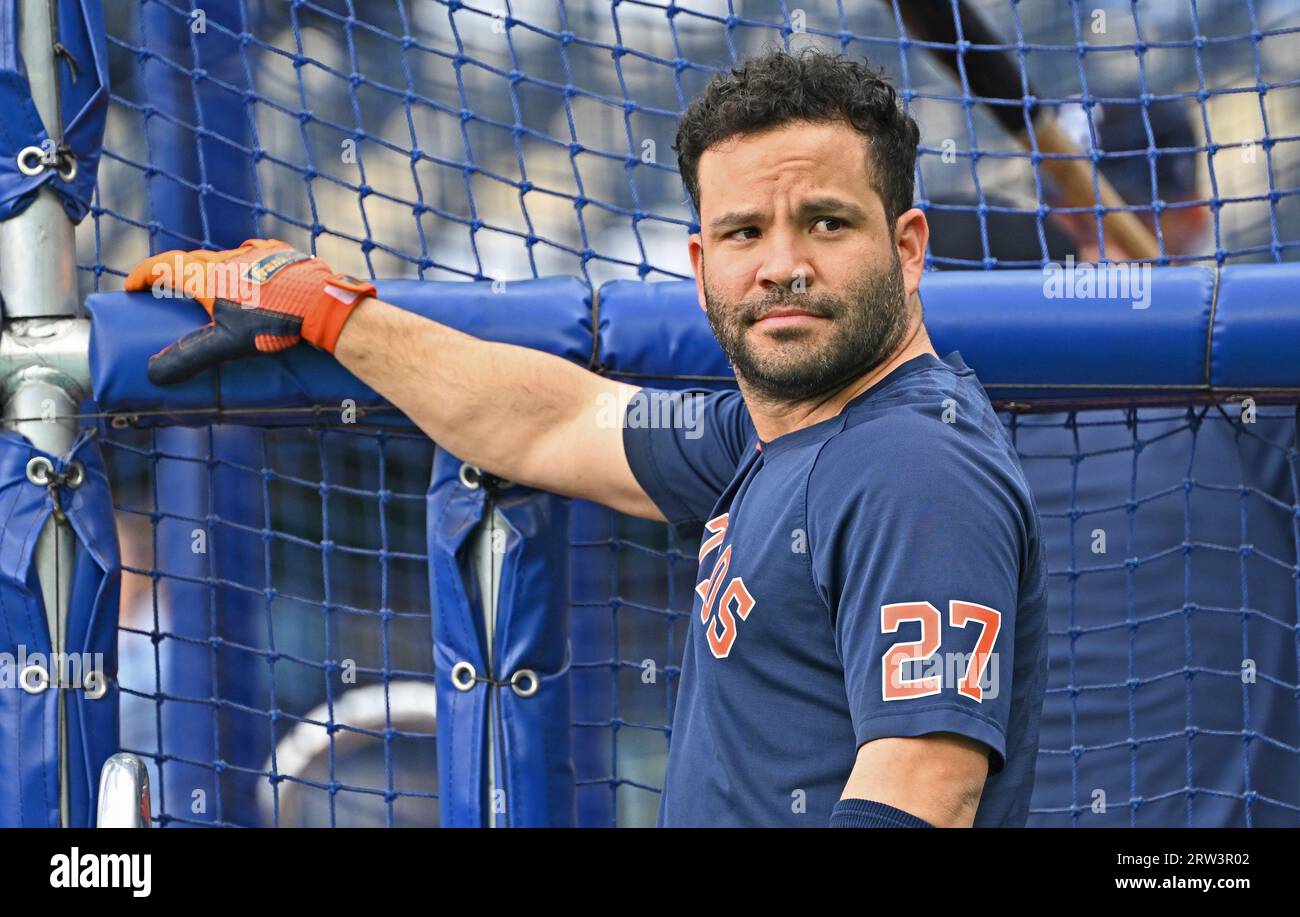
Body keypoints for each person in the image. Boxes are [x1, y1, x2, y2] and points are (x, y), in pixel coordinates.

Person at [125, 48, 1048, 828]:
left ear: (909, 245)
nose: (782, 266)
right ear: (700, 265)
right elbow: (556, 417)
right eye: (743, 231)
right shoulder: (777, 435)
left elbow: (927, 784)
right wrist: (331, 315)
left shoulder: (913, 461)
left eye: (827, 222)